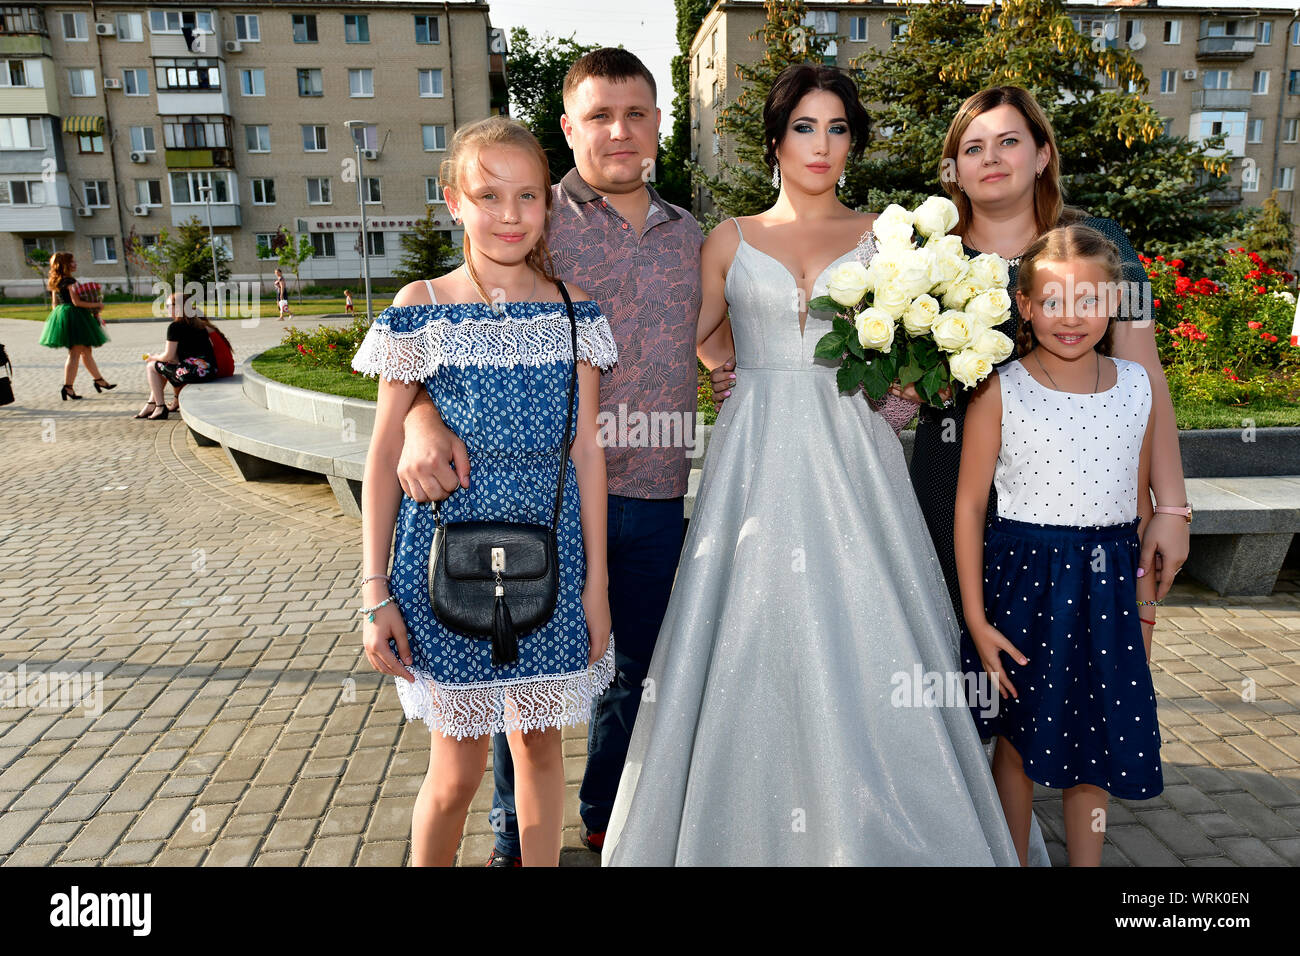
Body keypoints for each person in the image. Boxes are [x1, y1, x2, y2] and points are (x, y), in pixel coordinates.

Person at [600, 64, 1019, 865]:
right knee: (746, 620)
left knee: (869, 619)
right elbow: (703, 331)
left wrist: (898, 387)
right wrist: (738, 370)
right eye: (804, 127)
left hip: (853, 452)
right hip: (754, 452)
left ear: (853, 142)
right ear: (775, 139)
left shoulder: (890, 240)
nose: (820, 145)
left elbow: (918, 355)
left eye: (836, 129)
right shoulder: (729, 238)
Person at [396, 48, 735, 866]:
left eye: (636, 114)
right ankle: (514, 837)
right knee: (516, 684)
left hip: (650, 494)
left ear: (659, 124)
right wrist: (418, 417)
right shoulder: (524, 213)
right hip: (529, 505)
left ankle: (606, 814)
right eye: (598, 115)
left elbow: (715, 337)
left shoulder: (690, 235)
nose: (619, 131)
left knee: (633, 672)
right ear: (568, 126)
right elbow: (439, 333)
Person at [353, 116, 618, 867]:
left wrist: (596, 584)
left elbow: (587, 454)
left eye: (528, 196)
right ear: (453, 202)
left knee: (540, 754)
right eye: (488, 195)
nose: (510, 215)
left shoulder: (574, 311)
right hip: (441, 565)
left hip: (552, 559)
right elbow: (382, 454)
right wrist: (374, 591)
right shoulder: (421, 305)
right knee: (458, 768)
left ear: (547, 204)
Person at [883, 85, 1189, 643]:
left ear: (1043, 154)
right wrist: (905, 388)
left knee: (1075, 682)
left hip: (1083, 499)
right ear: (954, 169)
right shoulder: (921, 259)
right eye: (973, 148)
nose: (991, 158)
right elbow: (888, 393)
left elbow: (1148, 385)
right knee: (960, 670)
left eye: (1008, 142)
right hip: (952, 489)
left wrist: (1171, 508)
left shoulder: (1100, 244)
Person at [955, 223, 1162, 866]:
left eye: (1089, 302)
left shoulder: (1137, 386)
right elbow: (969, 504)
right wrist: (975, 618)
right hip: (1022, 583)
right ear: (1024, 306)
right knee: (1016, 737)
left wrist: (1145, 607)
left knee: (1097, 739)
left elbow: (1135, 509)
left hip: (1106, 586)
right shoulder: (1000, 386)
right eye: (1052, 302)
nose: (1070, 319)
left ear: (1114, 304)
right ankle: (1012, 858)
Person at [38, 252, 115, 400]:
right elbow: (77, 302)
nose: (75, 264)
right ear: (65, 264)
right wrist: (97, 304)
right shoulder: (70, 281)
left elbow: (55, 305)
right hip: (76, 317)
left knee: (86, 351)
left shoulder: (55, 281)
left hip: (64, 315)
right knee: (75, 353)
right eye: (72, 262)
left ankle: (99, 380)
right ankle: (68, 387)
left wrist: (61, 318)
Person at [135, 292, 219, 420]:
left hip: (193, 373)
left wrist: (153, 357)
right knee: (162, 367)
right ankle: (151, 404)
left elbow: (168, 356)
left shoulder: (175, 327)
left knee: (152, 366)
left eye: (168, 305)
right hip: (209, 370)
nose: (166, 308)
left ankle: (160, 407)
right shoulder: (199, 324)